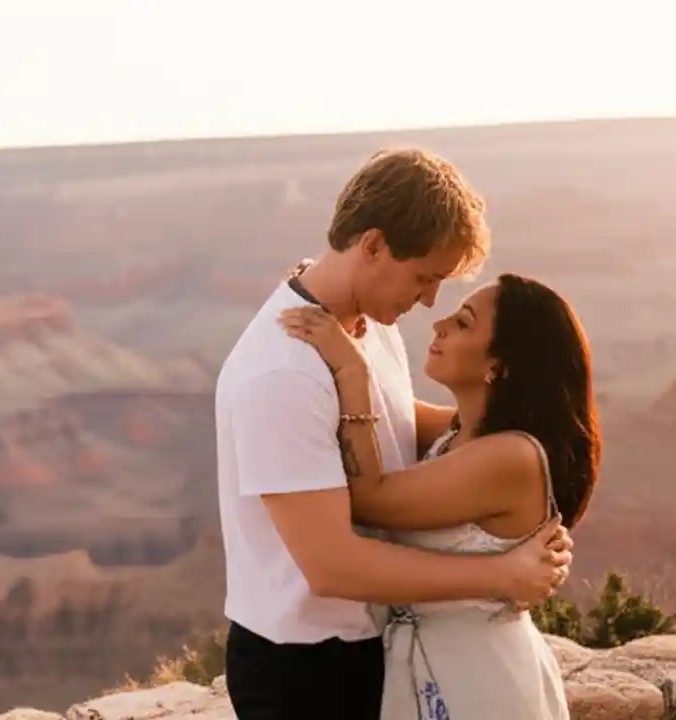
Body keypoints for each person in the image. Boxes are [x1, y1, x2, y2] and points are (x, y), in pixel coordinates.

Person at [214, 148, 574, 720]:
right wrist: (501, 574)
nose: (430, 300)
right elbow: (333, 566)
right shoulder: (283, 373)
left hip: (371, 648)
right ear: (374, 245)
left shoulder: (362, 325)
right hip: (305, 671)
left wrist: (519, 455)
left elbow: (396, 423)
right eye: (424, 277)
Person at [279, 272, 600, 719]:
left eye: (463, 323)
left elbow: (371, 496)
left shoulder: (511, 456)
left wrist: (352, 369)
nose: (439, 324)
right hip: (436, 666)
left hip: (480, 680)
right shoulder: (463, 431)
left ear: (499, 366)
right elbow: (387, 417)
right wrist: (331, 286)